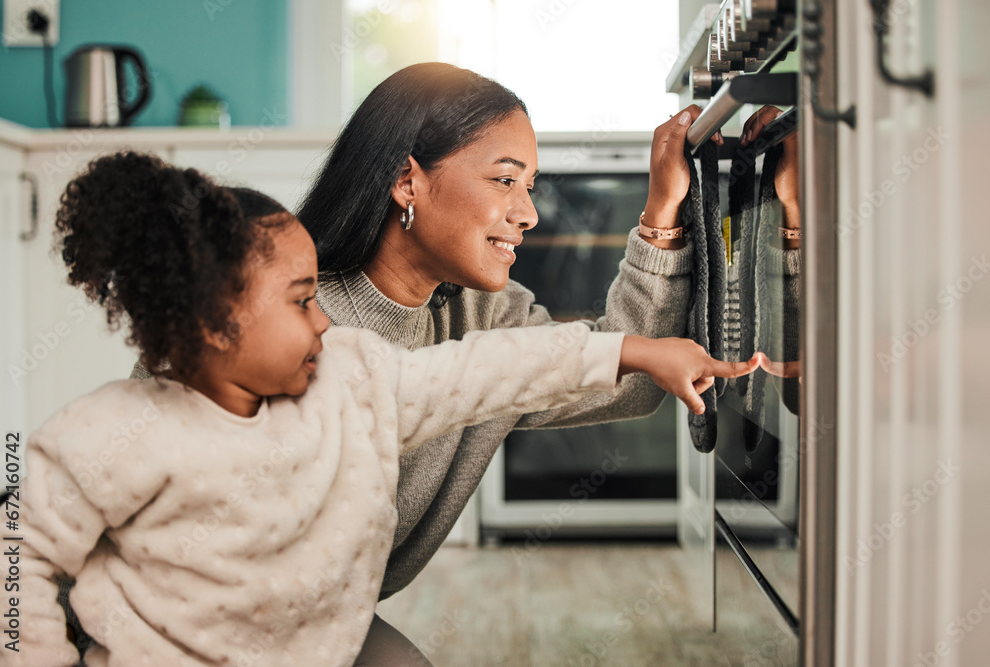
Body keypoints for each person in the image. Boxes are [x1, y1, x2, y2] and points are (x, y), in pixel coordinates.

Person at [0, 152, 757, 666]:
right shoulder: (112, 432)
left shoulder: (350, 375)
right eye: (299, 301)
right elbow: (14, 555)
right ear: (213, 324)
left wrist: (629, 350)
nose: (324, 316)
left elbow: (487, 369)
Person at [291, 62, 727, 662]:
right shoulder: (283, 313)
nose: (529, 214)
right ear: (405, 181)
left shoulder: (483, 314)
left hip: (328, 616)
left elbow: (627, 383)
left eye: (531, 185)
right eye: (504, 181)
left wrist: (662, 209)